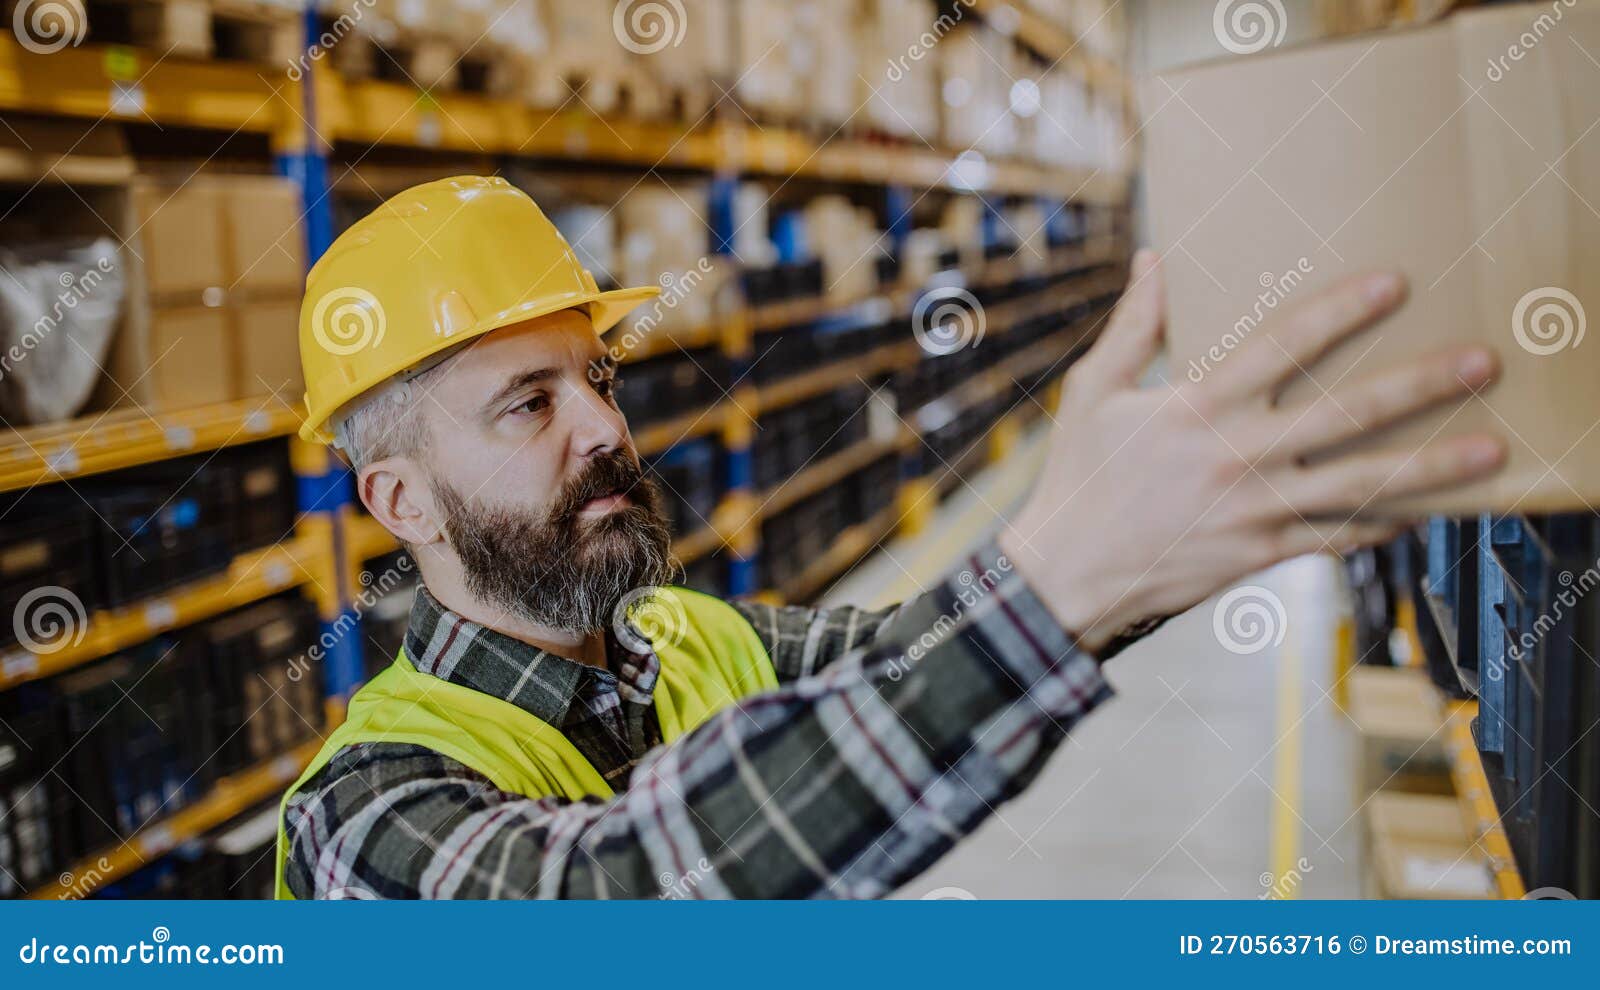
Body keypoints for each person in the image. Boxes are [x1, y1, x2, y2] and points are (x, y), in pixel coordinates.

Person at [275, 176, 1504, 899]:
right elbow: (621, 893)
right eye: (530, 404)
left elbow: (921, 652)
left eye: (596, 376)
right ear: (402, 504)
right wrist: (1053, 581)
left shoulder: (688, 642)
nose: (606, 426)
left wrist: (1176, 520)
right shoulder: (365, 808)